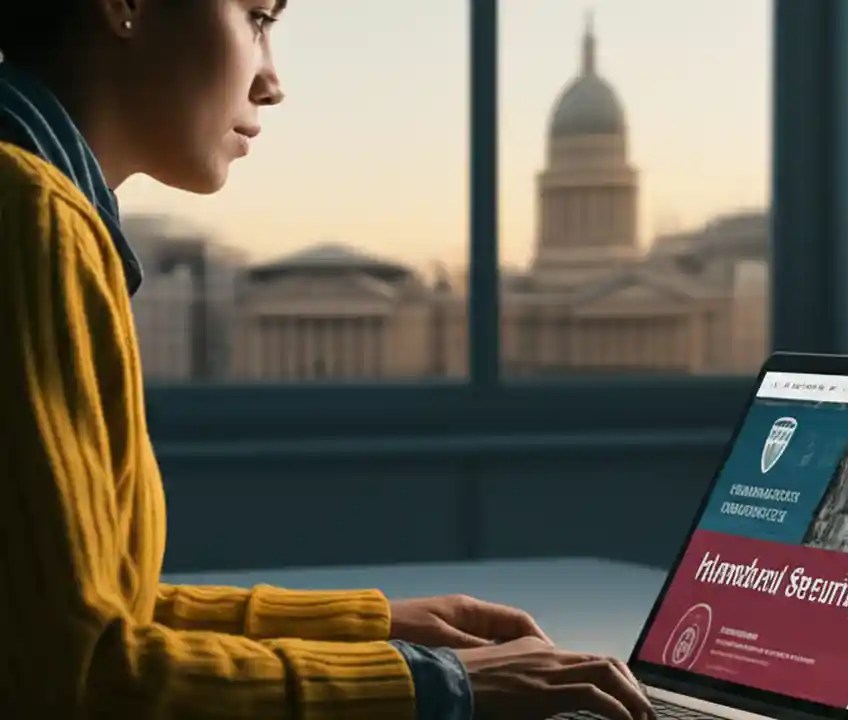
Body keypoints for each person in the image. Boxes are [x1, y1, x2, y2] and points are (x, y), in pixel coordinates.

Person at [0, 2, 654, 719]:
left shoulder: (46, 208)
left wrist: (375, 628)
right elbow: (86, 675)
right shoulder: (34, 219)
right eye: (256, 16)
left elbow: (78, 613)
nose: (272, 81)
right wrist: (444, 687)